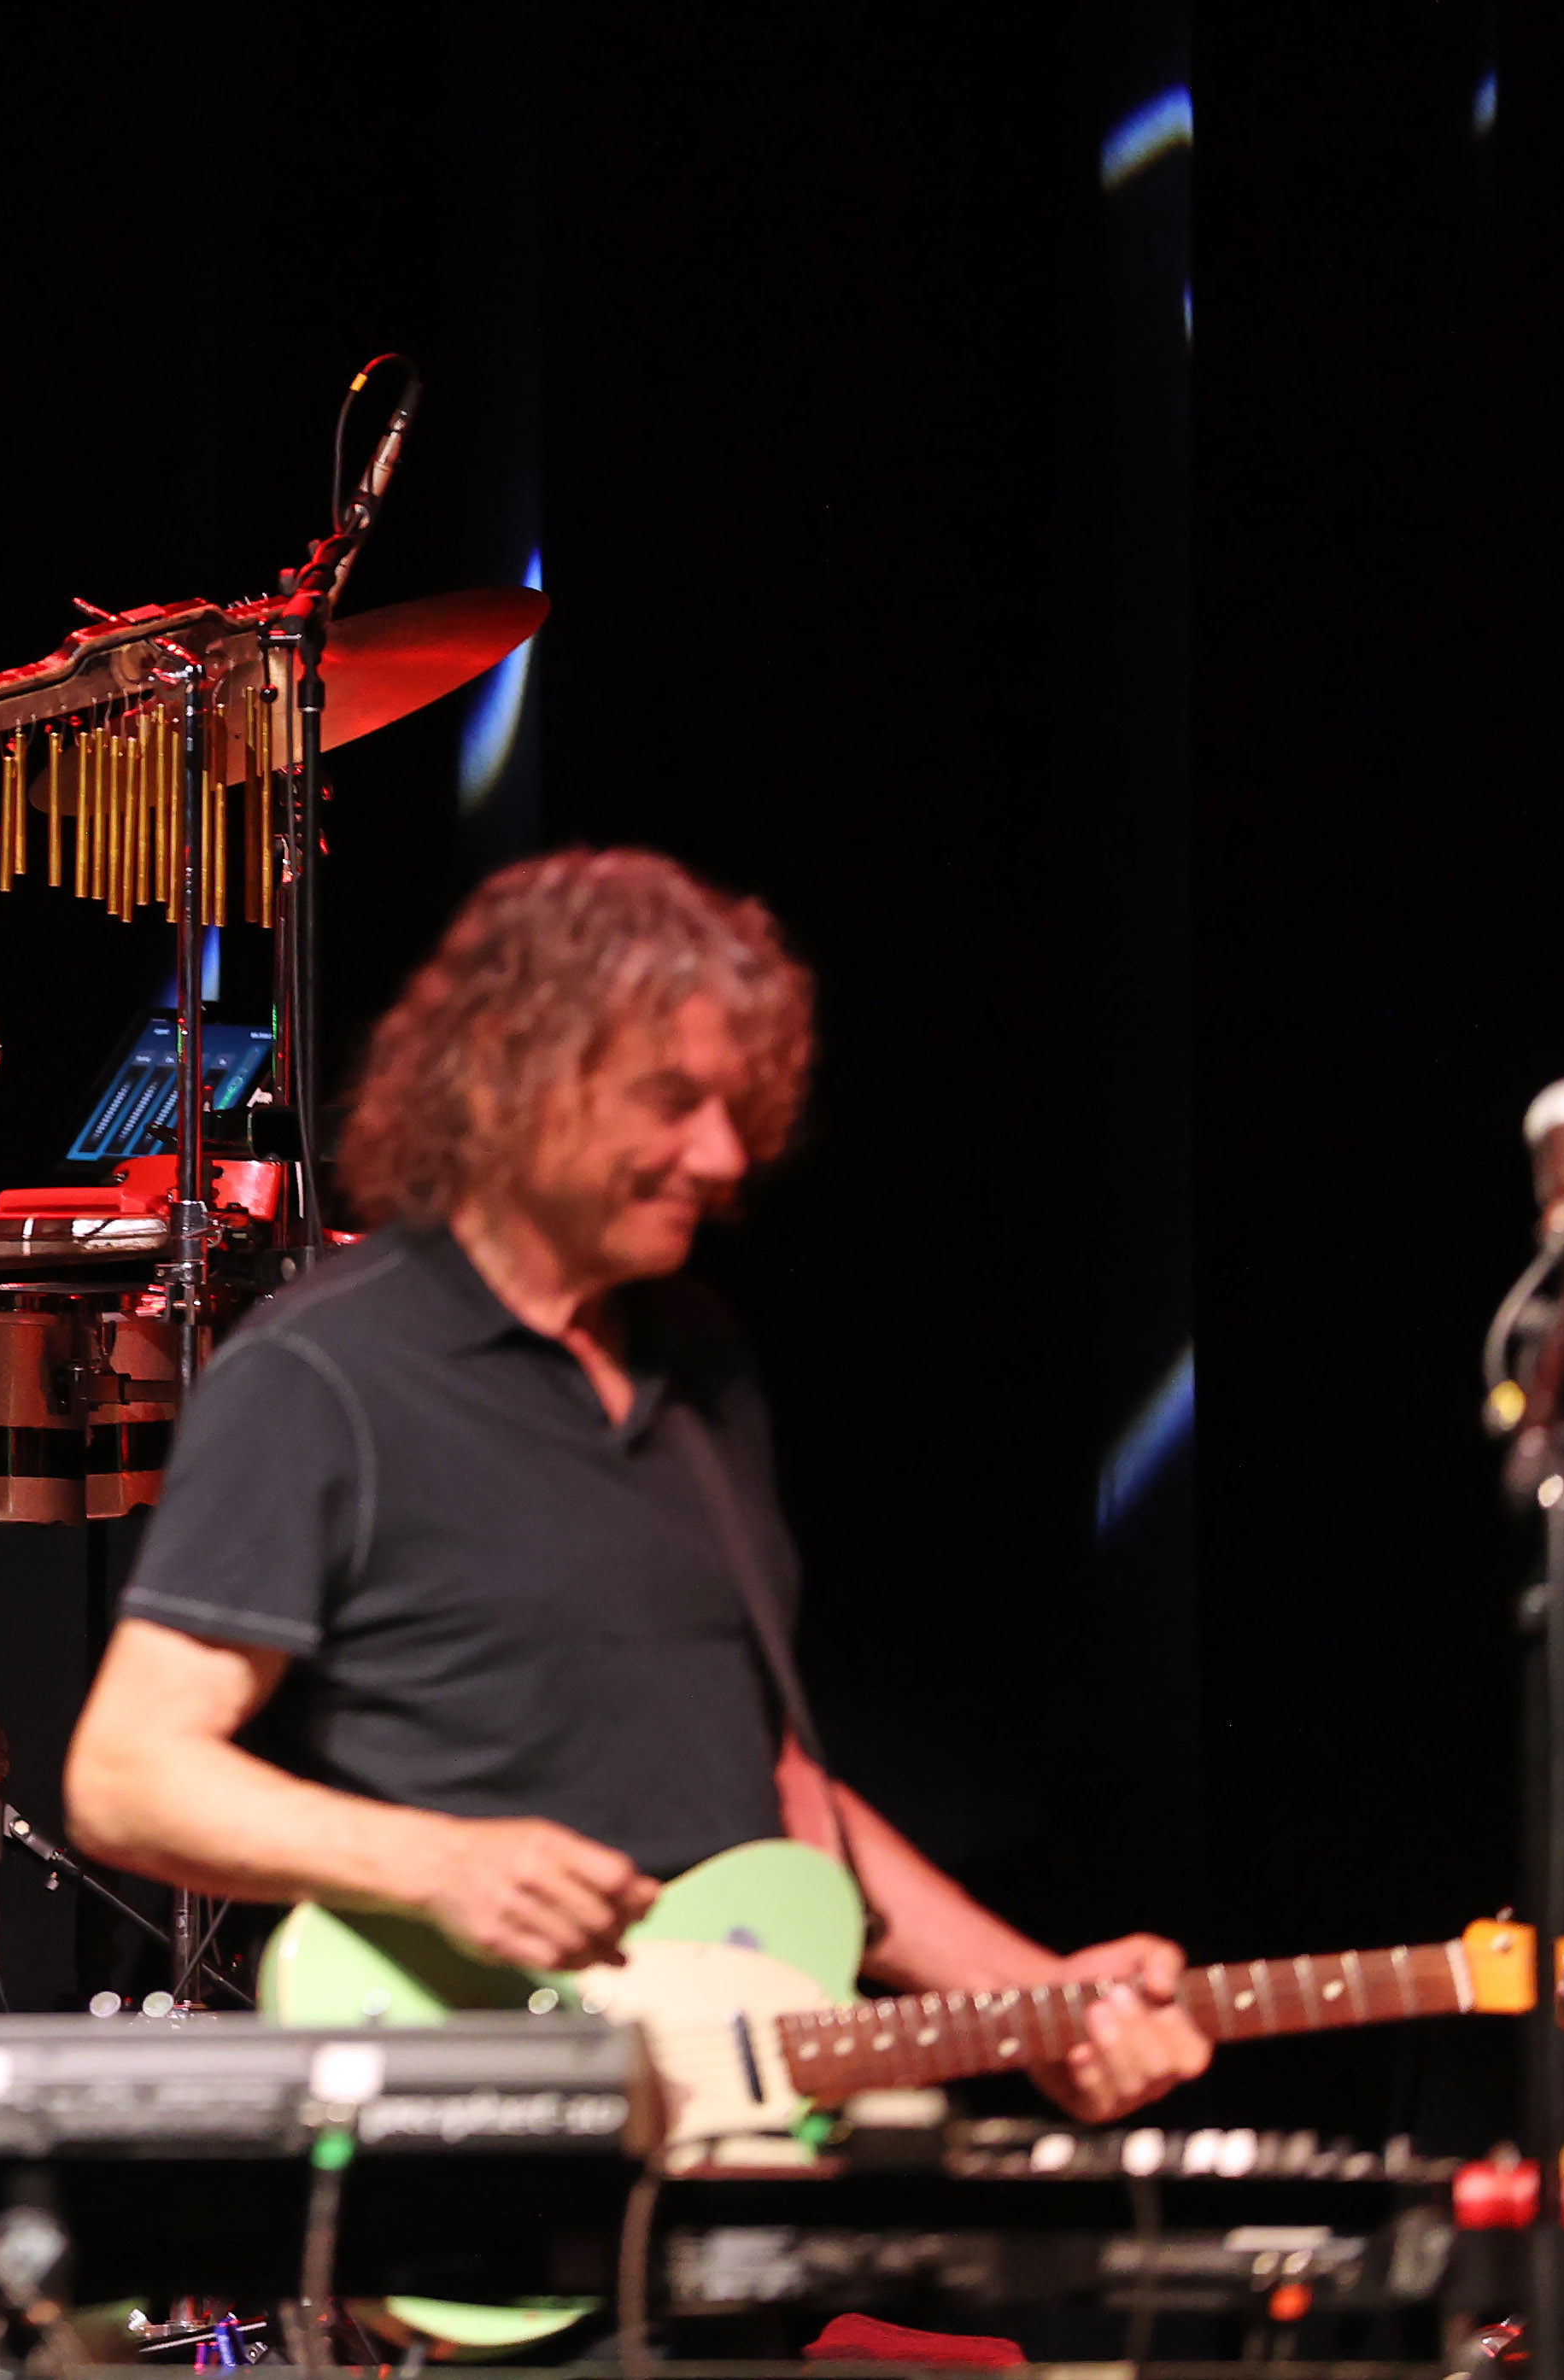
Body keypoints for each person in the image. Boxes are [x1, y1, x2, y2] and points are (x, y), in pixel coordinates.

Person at [62, 847, 1210, 2126]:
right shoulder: (322, 1373)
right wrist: (433, 1862)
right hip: (484, 2138)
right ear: (510, 1077)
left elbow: (766, 1790)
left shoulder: (698, 1357)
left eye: (738, 1105)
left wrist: (1038, 1996)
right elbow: (129, 1774)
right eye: (672, 1101)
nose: (724, 1155)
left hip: (729, 2125)